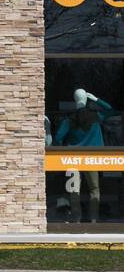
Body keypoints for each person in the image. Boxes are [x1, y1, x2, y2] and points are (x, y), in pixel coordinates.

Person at [53, 88, 110, 222]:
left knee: (74, 191)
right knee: (94, 189)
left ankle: (77, 221)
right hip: (92, 159)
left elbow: (58, 137)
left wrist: (64, 145)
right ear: (86, 99)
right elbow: (110, 110)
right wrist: (96, 99)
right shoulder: (95, 116)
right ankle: (94, 221)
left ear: (75, 100)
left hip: (73, 159)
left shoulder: (69, 120)